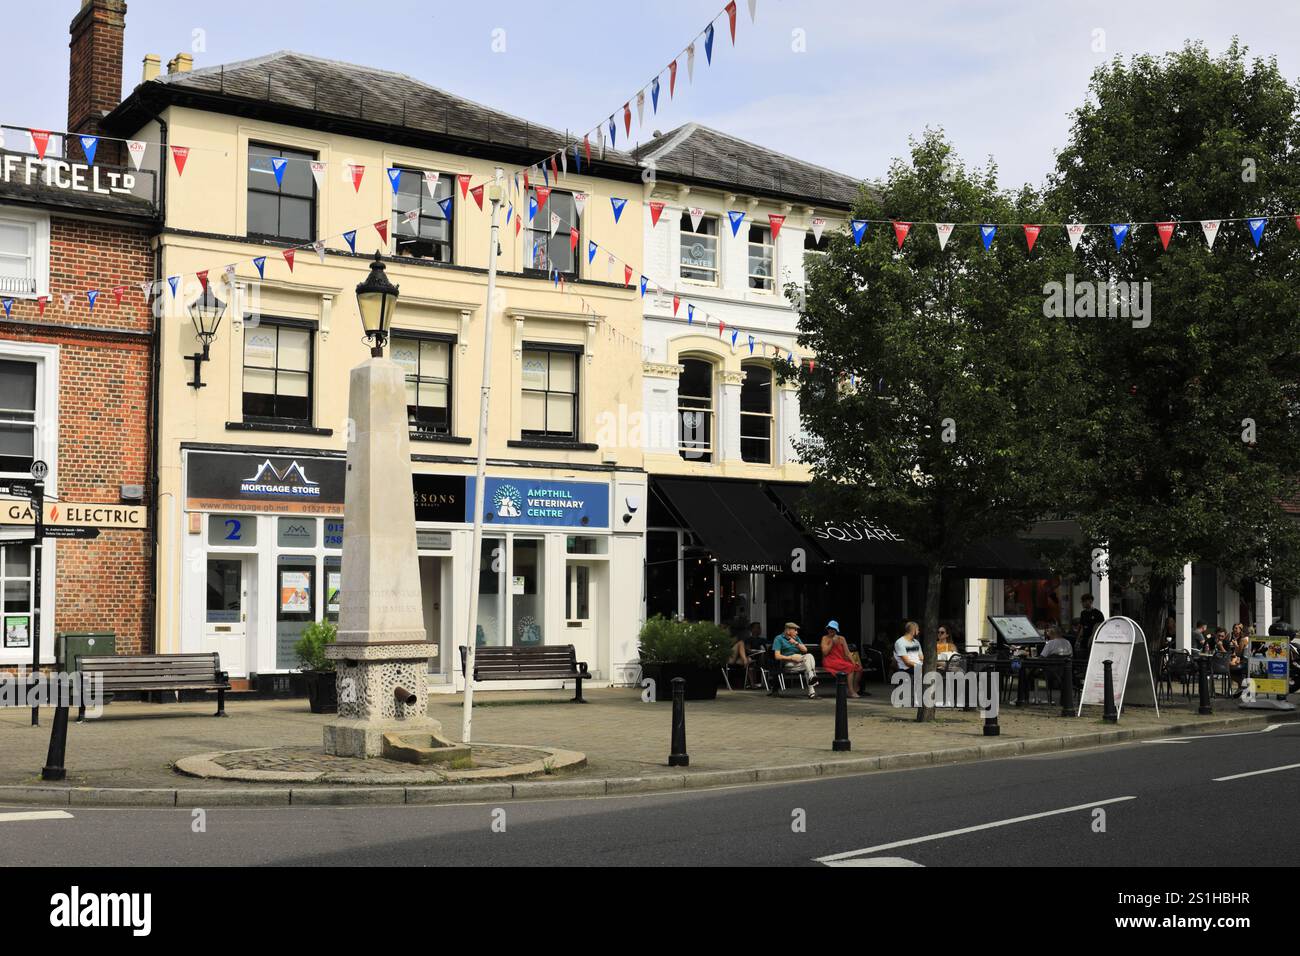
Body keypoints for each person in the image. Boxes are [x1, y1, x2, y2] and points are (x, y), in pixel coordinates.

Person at [772, 622, 817, 698]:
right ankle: (812, 685)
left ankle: (811, 678)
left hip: (800, 661)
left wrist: (796, 643)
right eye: (795, 630)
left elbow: (805, 650)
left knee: (809, 656)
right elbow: (777, 656)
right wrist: (791, 658)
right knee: (808, 665)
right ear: (788, 630)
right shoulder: (778, 638)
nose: (797, 632)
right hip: (789, 662)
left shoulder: (796, 638)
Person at [819, 620, 863, 697]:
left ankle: (854, 687)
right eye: (829, 628)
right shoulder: (824, 638)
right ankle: (851, 691)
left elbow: (847, 653)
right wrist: (832, 642)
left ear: (836, 630)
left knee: (858, 668)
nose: (831, 630)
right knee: (850, 667)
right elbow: (825, 653)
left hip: (840, 660)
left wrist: (854, 662)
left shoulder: (841, 638)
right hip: (829, 661)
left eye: (833, 629)